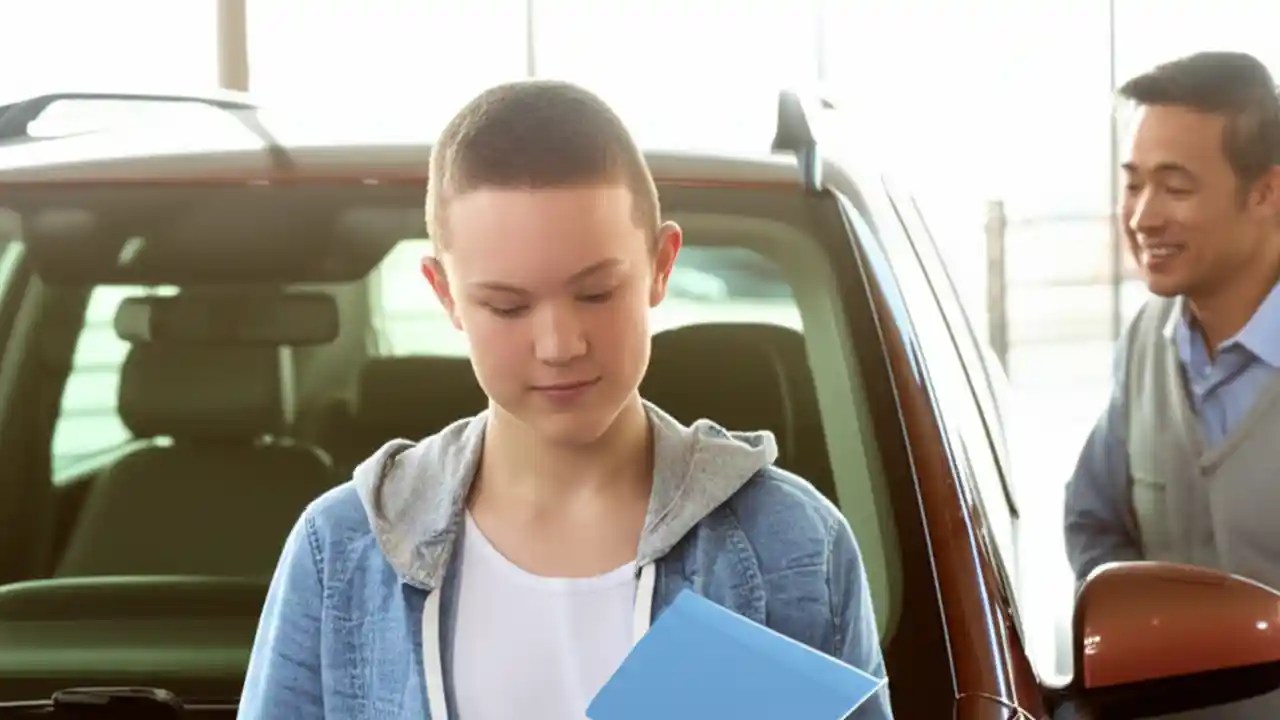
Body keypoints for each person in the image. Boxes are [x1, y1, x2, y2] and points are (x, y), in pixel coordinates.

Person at [237, 79, 893, 720]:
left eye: (596, 293)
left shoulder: (790, 544)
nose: (558, 344)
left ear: (661, 266)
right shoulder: (343, 550)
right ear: (446, 297)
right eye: (508, 306)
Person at [1063, 51, 1280, 717]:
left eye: (1176, 187)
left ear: (1266, 193)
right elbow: (1094, 525)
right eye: (1134, 185)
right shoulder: (1145, 342)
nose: (1143, 217)